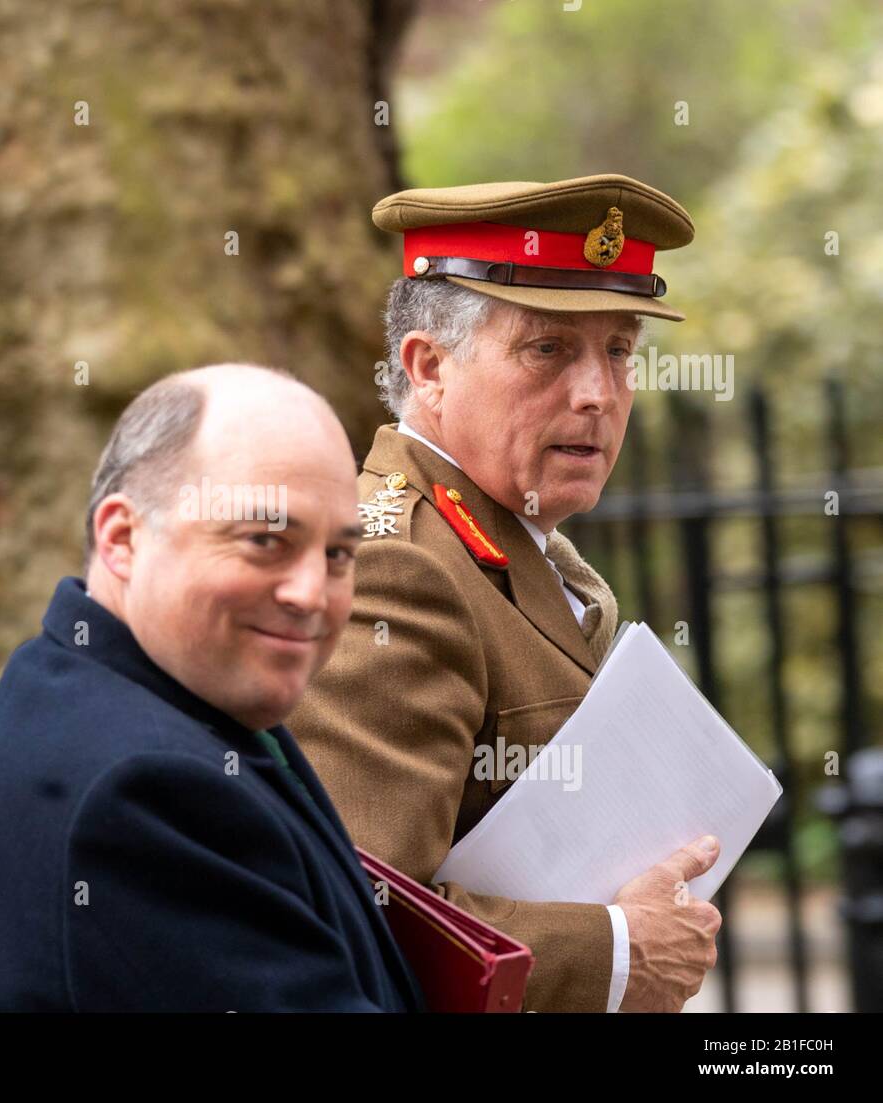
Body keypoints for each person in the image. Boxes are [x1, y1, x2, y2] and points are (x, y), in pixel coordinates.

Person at [288, 174, 723, 1012]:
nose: (598, 392)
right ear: (429, 368)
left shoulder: (509, 540)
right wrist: (618, 951)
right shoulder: (399, 568)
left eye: (619, 350)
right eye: (548, 348)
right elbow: (356, 912)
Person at [0, 363, 422, 1012]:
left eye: (337, 555)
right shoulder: (145, 791)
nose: (310, 594)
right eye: (265, 539)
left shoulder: (99, 683)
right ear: (123, 538)